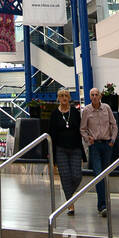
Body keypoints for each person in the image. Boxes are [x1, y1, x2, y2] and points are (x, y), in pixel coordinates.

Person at [81, 86, 118, 218]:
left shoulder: (106, 108)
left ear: (100, 96)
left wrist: (112, 140)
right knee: (98, 174)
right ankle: (102, 205)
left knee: (105, 174)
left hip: (107, 144)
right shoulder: (86, 110)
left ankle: (104, 203)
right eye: (92, 95)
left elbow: (114, 125)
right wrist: (88, 139)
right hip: (95, 146)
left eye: (97, 94)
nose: (95, 97)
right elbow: (83, 129)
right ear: (90, 97)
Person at [48, 88, 83, 216]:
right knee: (65, 176)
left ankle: (69, 194)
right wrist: (50, 154)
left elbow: (80, 129)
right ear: (58, 98)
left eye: (66, 96)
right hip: (60, 150)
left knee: (77, 176)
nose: (64, 98)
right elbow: (51, 133)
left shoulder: (74, 112)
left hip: (75, 148)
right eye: (61, 96)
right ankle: (70, 204)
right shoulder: (54, 114)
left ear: (69, 98)